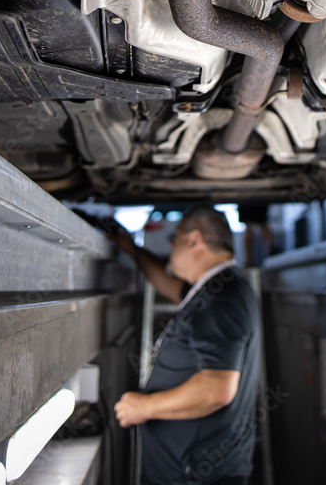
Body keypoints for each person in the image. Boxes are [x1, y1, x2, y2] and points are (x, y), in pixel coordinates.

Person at [113, 206, 261, 485]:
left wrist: (145, 406)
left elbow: (216, 388)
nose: (170, 244)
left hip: (196, 473)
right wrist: (131, 248)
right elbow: (169, 285)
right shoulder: (217, 288)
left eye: (175, 237)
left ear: (194, 240)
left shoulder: (220, 299)